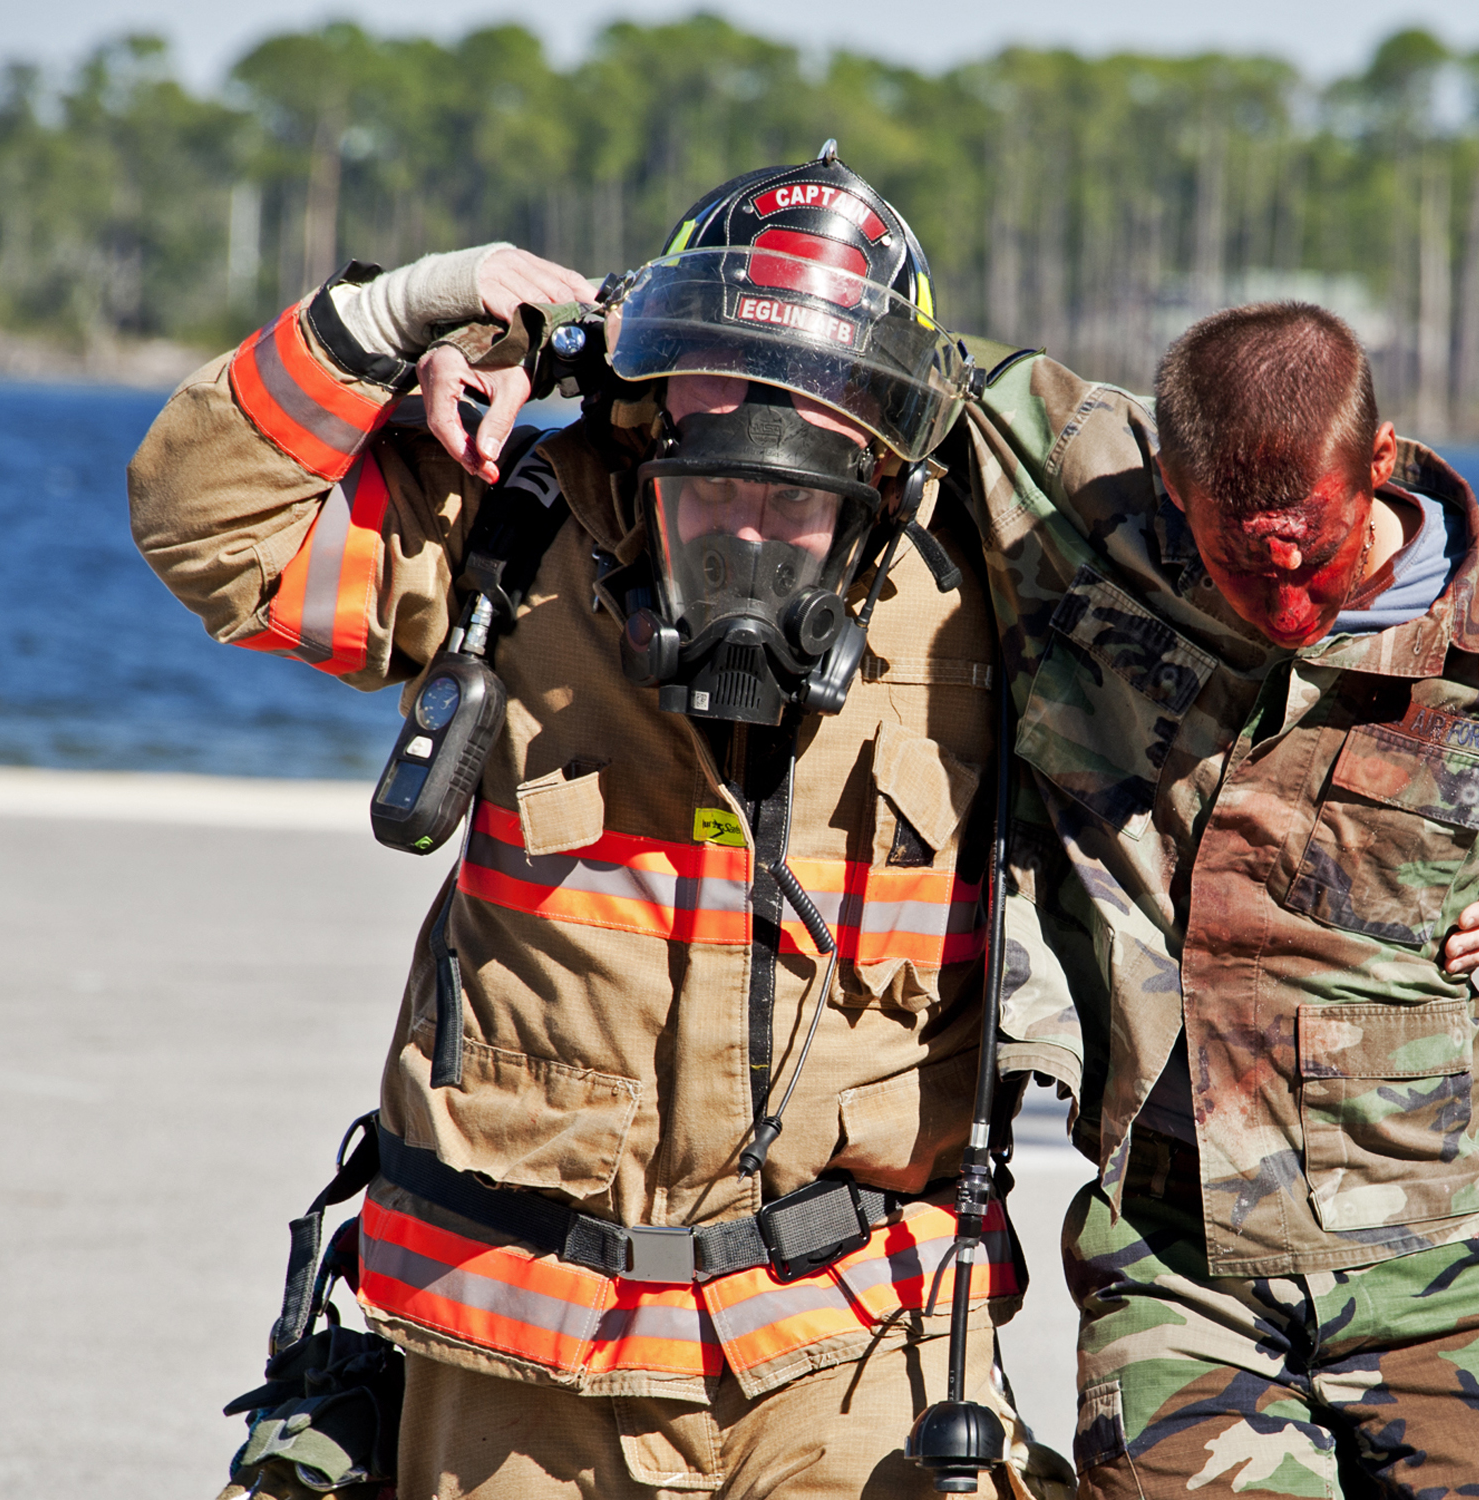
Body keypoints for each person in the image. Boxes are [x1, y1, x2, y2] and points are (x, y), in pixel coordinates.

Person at [130, 149, 1070, 1500]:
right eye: (720, 373)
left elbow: (1277, 542)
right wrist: (398, 317)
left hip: (858, 1349)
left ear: (880, 420)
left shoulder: (989, 592)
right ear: (657, 358)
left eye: (801, 392)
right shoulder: (511, 530)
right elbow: (205, 525)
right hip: (516, 1348)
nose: (751, 451)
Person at [963, 303, 1479, 1497]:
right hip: (1171, 1252)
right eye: (1245, 564)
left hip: (1438, 1248)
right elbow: (855, 339)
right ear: (1171, 483)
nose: (1288, 608)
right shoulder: (1091, 508)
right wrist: (609, 320)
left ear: (1378, 465)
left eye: (1318, 557)